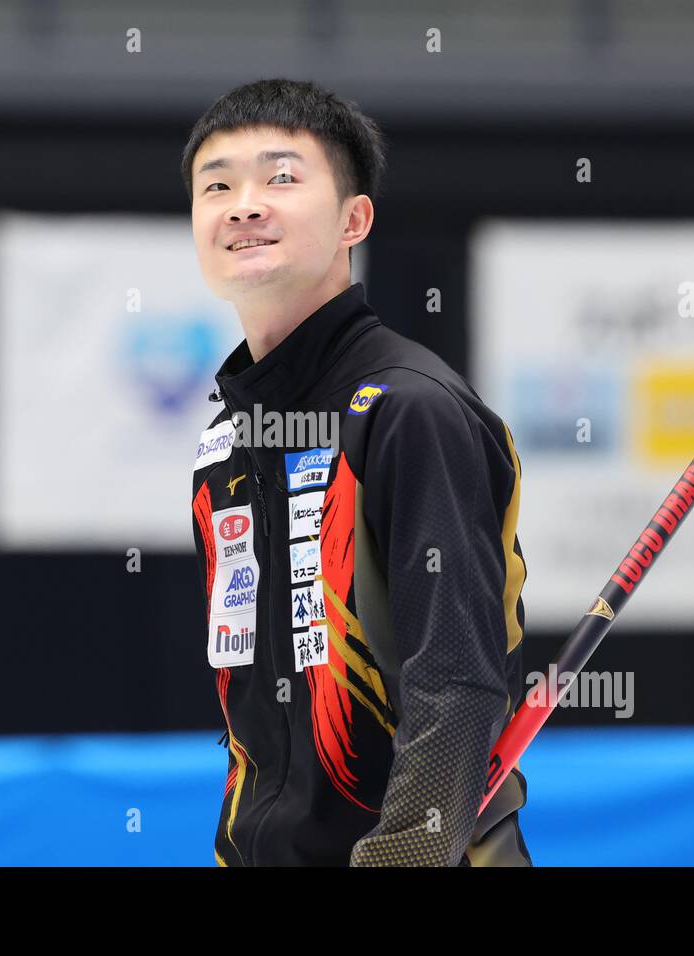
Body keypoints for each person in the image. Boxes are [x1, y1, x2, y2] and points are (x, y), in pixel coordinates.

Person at [184, 78, 531, 867]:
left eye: (280, 177)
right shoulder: (224, 443)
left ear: (354, 219)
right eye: (217, 185)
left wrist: (403, 859)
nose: (243, 204)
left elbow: (455, 683)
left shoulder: (409, 410)